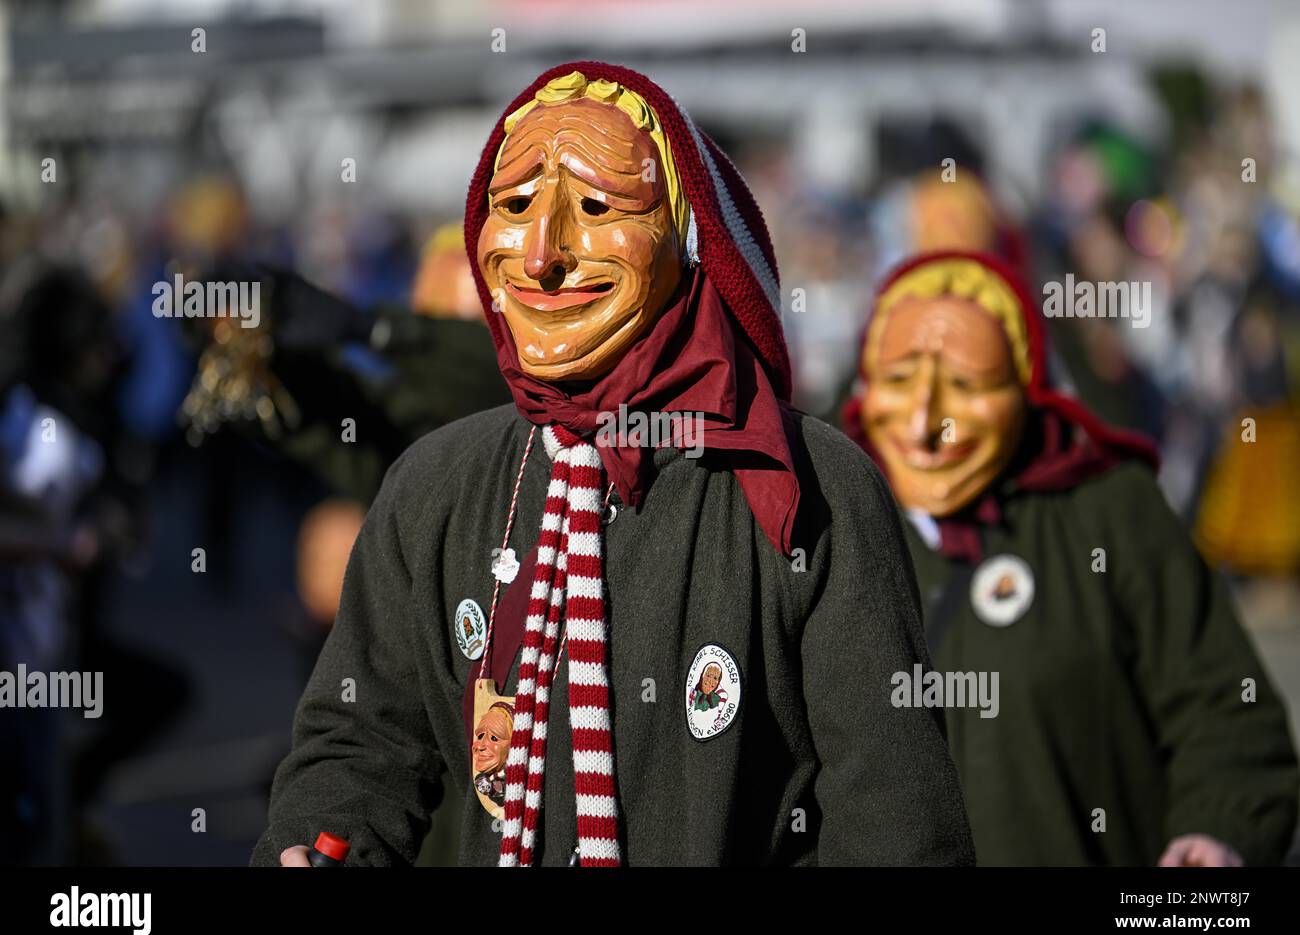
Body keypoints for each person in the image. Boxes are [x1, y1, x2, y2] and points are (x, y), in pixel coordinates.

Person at [252, 62, 974, 867]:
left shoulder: (811, 486)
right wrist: (320, 846)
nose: (544, 256)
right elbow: (360, 746)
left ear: (684, 239)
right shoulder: (436, 486)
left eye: (597, 207)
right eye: (516, 207)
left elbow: (895, 823)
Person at [841, 249, 1299, 866]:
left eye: (967, 385)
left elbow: (1225, 711)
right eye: (898, 381)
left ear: (1027, 385)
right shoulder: (818, 518)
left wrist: (1215, 831)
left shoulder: (1109, 510)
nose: (927, 424)